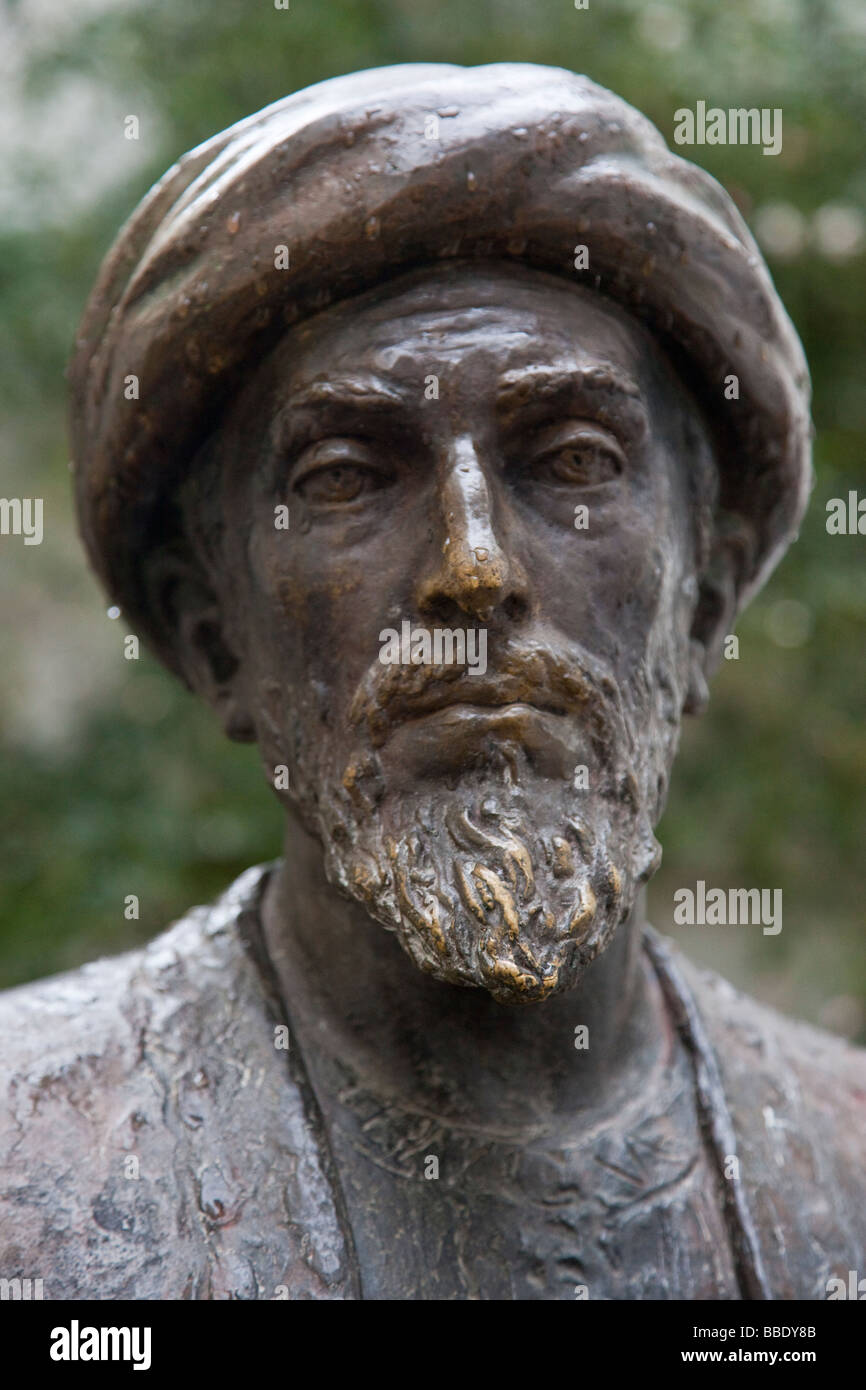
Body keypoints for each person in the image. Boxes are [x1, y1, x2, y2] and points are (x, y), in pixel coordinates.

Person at [1, 64, 862, 1301]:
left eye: (570, 458)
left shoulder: (842, 1169)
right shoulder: (27, 1168)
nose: (474, 569)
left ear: (703, 603)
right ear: (212, 637)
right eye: (349, 476)